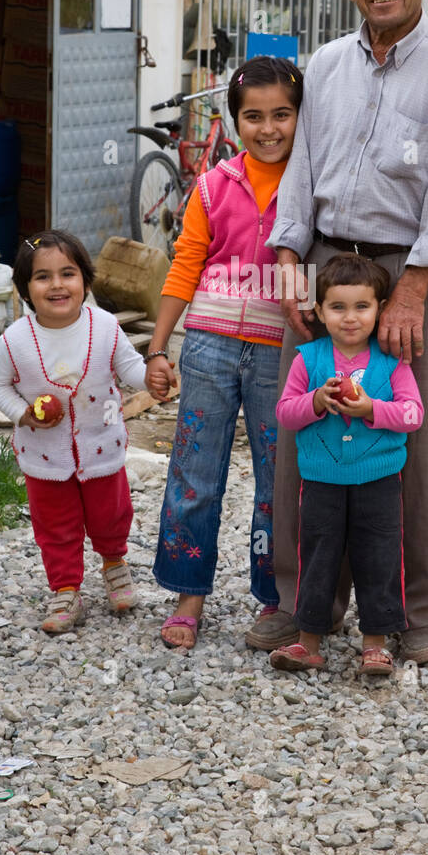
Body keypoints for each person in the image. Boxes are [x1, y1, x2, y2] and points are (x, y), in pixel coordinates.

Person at [260, 0, 428, 664]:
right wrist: (290, 252)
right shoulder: (326, 66)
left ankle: (418, 610)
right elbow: (300, 171)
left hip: (413, 273)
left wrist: (413, 288)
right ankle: (306, 607)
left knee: (416, 438)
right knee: (308, 433)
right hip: (327, 266)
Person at [144, 56, 304, 650]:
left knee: (277, 479)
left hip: (279, 356)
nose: (268, 128)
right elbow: (185, 263)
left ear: (299, 117)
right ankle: (189, 594)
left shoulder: (312, 187)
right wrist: (159, 347)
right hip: (208, 348)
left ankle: (274, 597)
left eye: (282, 114)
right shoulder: (213, 186)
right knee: (194, 472)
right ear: (234, 122)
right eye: (253, 116)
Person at [0, 229, 156, 635]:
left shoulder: (105, 326)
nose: (57, 285)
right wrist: (24, 414)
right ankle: (65, 588)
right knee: (54, 524)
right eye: (43, 277)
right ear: (25, 288)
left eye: (68, 273)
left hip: (101, 446)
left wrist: (153, 376)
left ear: (85, 280)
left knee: (111, 513)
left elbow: (128, 367)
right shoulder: (16, 340)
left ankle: (114, 563)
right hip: (45, 455)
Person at [270, 254, 424, 676]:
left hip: (379, 481)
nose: (350, 318)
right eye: (338, 307)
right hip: (321, 480)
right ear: (319, 311)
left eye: (362, 306)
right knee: (317, 558)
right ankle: (308, 642)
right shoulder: (309, 359)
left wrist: (372, 407)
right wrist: (317, 401)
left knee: (379, 558)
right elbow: (285, 413)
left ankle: (375, 643)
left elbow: (414, 415)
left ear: (381, 308)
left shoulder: (393, 362)